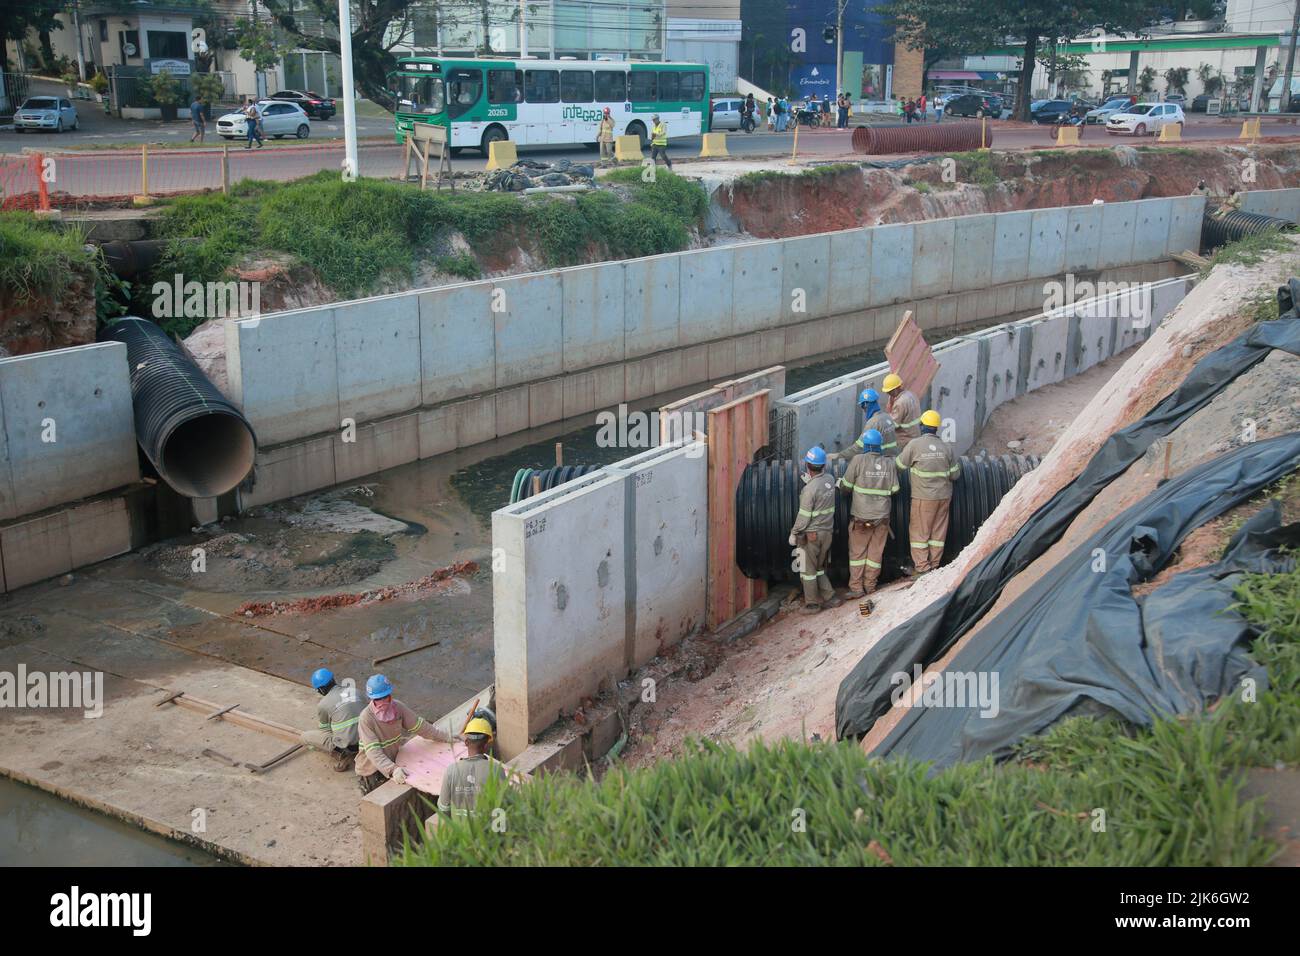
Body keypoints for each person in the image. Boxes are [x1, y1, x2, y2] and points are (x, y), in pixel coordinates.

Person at [896, 410, 960, 575]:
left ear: (922, 426)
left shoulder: (915, 445)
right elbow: (955, 474)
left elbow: (899, 466)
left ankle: (923, 568)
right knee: (938, 532)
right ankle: (934, 566)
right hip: (944, 497)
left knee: (919, 533)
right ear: (936, 428)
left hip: (923, 498)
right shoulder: (947, 447)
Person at [354, 674, 440, 794]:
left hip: (394, 759)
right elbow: (374, 752)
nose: (383, 701)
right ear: (371, 699)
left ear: (390, 695)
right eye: (378, 699)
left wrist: (444, 737)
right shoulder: (366, 718)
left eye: (385, 697)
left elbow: (420, 726)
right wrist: (392, 769)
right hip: (371, 768)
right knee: (377, 796)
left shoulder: (398, 708)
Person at [838, 428, 898, 597]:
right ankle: (870, 586)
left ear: (866, 445)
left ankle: (856, 588)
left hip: (861, 517)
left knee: (858, 553)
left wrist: (840, 485)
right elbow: (894, 489)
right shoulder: (889, 463)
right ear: (880, 446)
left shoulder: (858, 460)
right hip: (882, 518)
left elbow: (847, 487)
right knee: (875, 553)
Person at [788, 446, 842, 614]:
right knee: (818, 567)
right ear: (823, 465)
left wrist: (794, 533)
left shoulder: (809, 490)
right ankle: (831, 597)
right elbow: (822, 489)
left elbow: (803, 516)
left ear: (807, 466)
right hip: (827, 533)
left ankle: (812, 604)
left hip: (811, 536)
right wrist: (811, 482)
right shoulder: (830, 479)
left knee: (807, 570)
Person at [435, 717, 508, 820]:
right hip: (487, 833)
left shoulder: (451, 771)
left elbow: (443, 808)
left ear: (466, 742)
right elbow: (504, 807)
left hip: (460, 833)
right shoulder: (496, 770)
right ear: (487, 744)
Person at [300, 668, 365, 771]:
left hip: (348, 746)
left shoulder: (323, 704)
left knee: (304, 736)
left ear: (321, 689)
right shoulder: (356, 691)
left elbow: (325, 730)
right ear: (333, 679)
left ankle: (341, 754)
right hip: (367, 739)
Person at [830, 388, 897, 462]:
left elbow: (858, 448)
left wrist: (838, 456)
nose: (863, 410)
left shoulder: (873, 423)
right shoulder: (887, 417)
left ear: (865, 404)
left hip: (881, 463)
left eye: (862, 406)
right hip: (893, 460)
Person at [882, 372, 922, 443]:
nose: (888, 394)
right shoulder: (911, 395)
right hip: (916, 436)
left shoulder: (900, 403)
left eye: (889, 392)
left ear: (895, 389)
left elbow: (893, 424)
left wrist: (889, 409)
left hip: (905, 439)